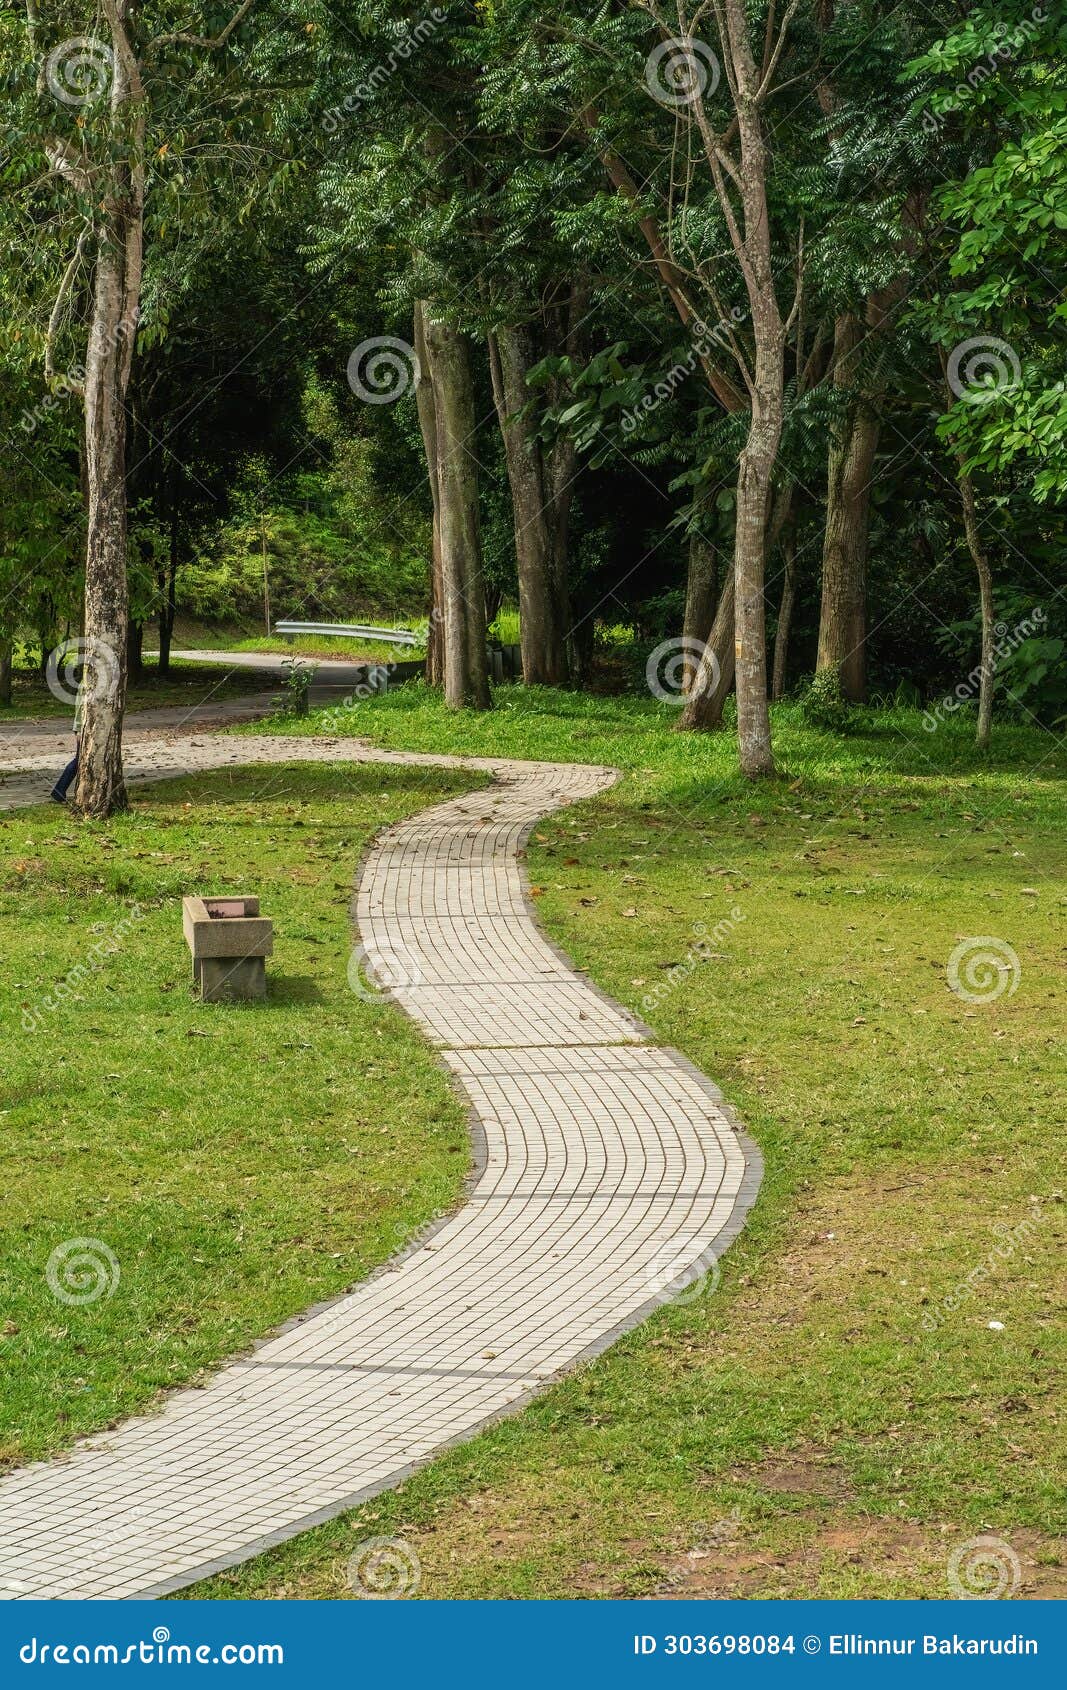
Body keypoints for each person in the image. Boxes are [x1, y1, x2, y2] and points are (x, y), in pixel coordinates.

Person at [50, 682, 84, 803]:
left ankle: (59, 791)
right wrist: (79, 729)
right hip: (83, 727)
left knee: (80, 759)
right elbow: (81, 709)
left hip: (81, 727)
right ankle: (59, 791)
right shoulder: (89, 683)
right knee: (79, 760)